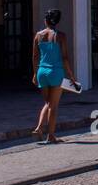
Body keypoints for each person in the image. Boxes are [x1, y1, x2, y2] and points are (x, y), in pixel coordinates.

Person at [31, 9, 77, 144]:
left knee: (48, 103)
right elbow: (65, 58)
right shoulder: (60, 36)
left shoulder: (38, 36)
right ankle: (50, 135)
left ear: (46, 20)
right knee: (54, 106)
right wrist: (71, 76)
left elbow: (34, 57)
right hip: (56, 72)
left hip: (42, 72)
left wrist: (35, 73)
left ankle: (39, 127)